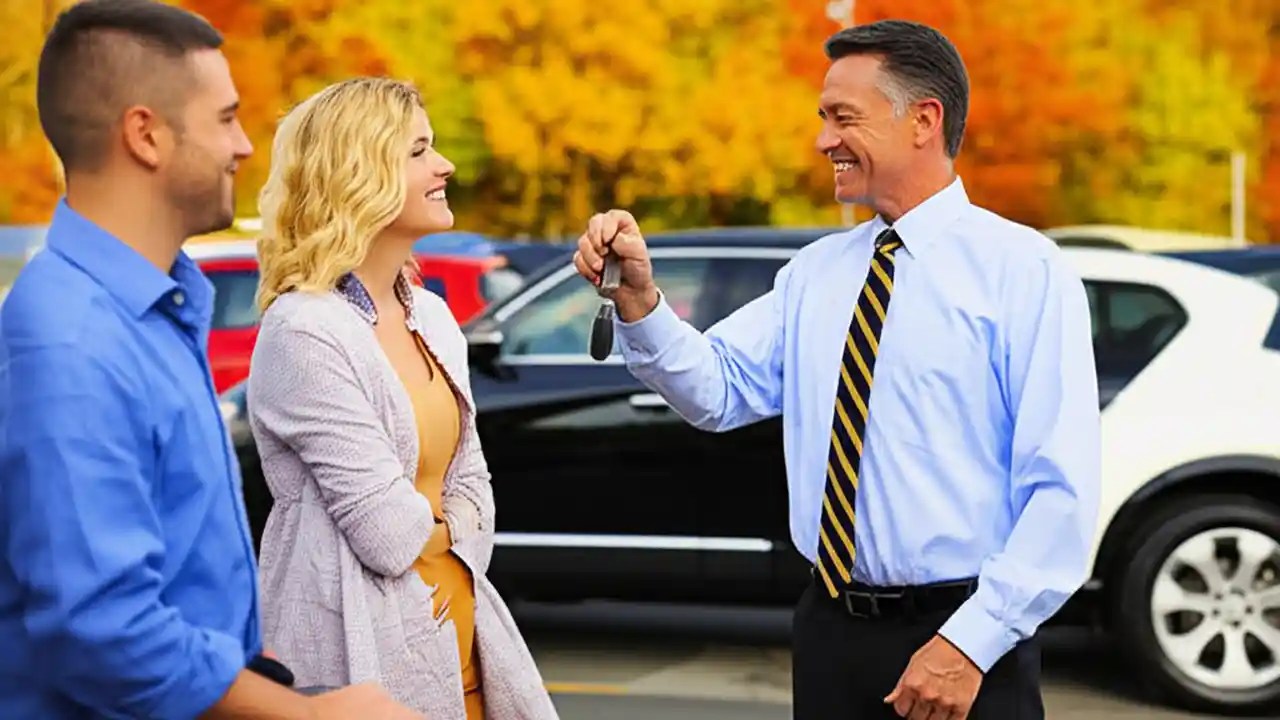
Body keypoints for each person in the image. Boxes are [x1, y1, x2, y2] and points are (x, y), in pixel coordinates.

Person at [574, 19, 1100, 720]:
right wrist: (639, 301)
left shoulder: (1024, 271)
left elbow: (1061, 492)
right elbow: (719, 390)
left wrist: (970, 644)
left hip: (965, 645)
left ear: (924, 120)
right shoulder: (817, 273)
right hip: (828, 634)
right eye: (823, 118)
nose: (824, 140)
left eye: (842, 118)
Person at [0, 1, 419, 718]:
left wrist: (248, 667)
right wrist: (309, 715)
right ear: (146, 135)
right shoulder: (70, 340)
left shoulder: (154, 310)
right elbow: (101, 632)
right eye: (225, 118)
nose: (246, 146)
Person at [246, 77, 559, 720]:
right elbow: (386, 533)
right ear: (358, 172)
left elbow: (474, 480)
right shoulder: (304, 329)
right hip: (360, 658)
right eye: (418, 150)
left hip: (465, 636)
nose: (444, 165)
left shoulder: (435, 316)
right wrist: (449, 532)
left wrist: (446, 542)